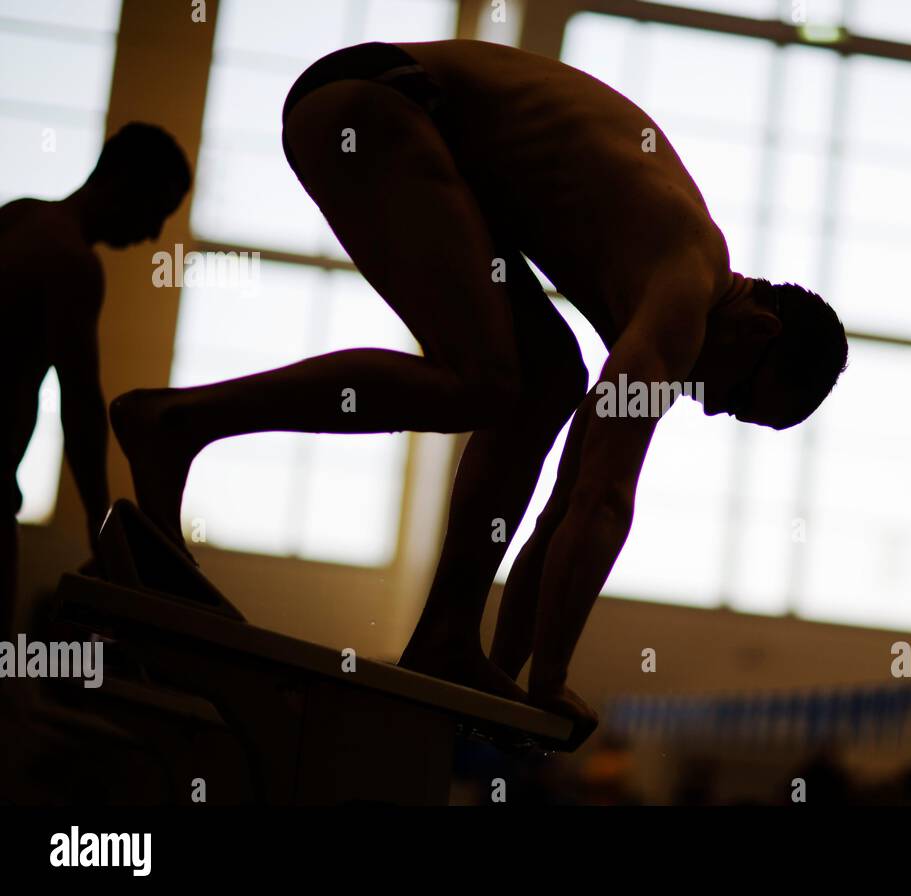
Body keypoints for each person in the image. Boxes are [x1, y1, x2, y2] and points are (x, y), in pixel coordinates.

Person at [110, 41, 847, 738]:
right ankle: (178, 422)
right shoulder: (683, 289)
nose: (707, 404)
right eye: (735, 397)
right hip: (376, 102)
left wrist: (512, 682)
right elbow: (603, 505)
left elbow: (564, 510)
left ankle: (446, 638)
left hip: (400, 116)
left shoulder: (658, 283)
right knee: (486, 380)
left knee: (546, 380)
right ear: (758, 331)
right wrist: (554, 678)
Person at [0, 122, 191, 638]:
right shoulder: (72, 263)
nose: (153, 233)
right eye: (159, 211)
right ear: (128, 180)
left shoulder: (18, 216)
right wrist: (99, 526)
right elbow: (81, 405)